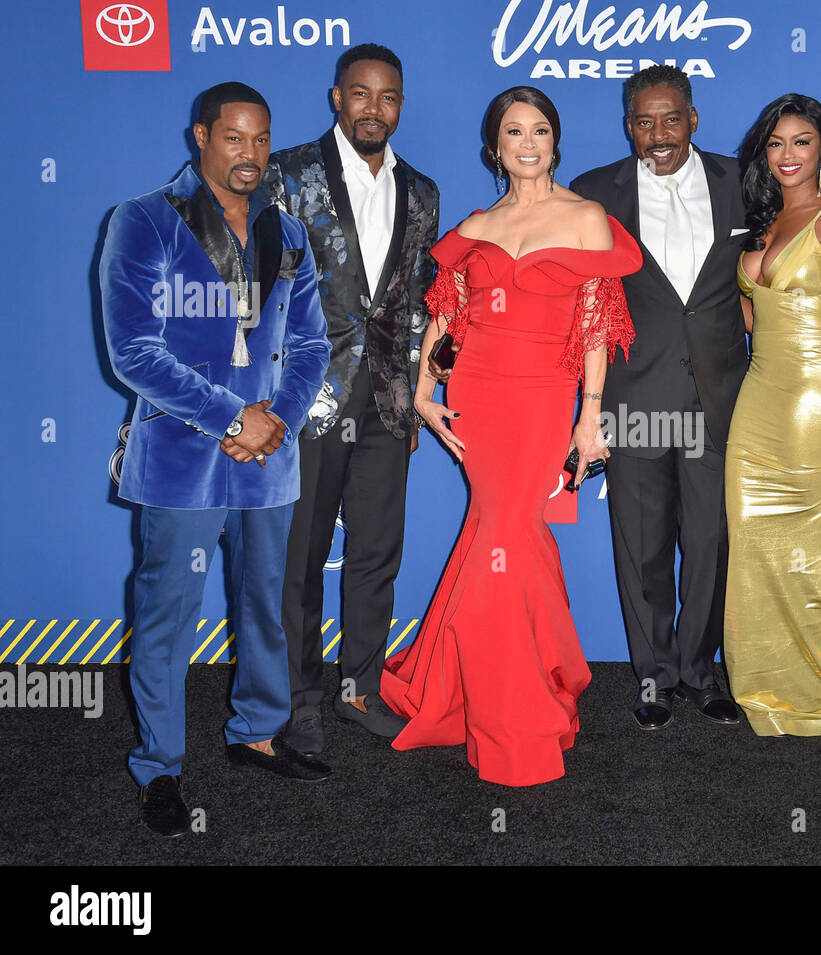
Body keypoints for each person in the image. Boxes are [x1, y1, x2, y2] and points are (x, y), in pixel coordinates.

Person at [379, 87, 641, 787]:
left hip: (543, 403)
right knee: (504, 540)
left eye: (540, 130)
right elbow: (447, 313)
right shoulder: (477, 223)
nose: (528, 142)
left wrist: (590, 414)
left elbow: (595, 321)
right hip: (481, 399)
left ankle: (500, 702)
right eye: (514, 131)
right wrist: (424, 395)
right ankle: (520, 699)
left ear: (556, 141)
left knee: (504, 539)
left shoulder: (586, 218)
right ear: (494, 145)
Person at [101, 82, 332, 837]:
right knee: (166, 617)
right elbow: (134, 350)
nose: (251, 154)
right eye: (234, 138)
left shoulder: (288, 231)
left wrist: (278, 423)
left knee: (266, 604)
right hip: (180, 455)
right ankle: (159, 767)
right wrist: (232, 415)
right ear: (200, 136)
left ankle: (257, 731)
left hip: (269, 459)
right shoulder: (143, 220)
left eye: (261, 139)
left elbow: (311, 346)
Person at [265, 44, 440, 755]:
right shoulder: (289, 172)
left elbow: (419, 302)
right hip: (306, 398)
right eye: (361, 94)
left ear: (401, 104)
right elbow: (264, 289)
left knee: (375, 552)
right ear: (337, 98)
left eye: (389, 97)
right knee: (300, 560)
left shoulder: (421, 191)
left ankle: (358, 687)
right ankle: (298, 699)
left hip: (388, 404)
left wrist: (418, 395)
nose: (375, 108)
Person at [570, 65, 748, 730]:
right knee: (641, 545)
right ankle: (653, 676)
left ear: (694, 119)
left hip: (718, 398)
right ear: (628, 127)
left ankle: (701, 672)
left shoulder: (743, 183)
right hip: (634, 394)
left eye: (670, 117)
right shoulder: (595, 194)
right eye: (643, 121)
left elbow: (814, 227)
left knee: (710, 541)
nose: (658, 133)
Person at [726, 94, 821, 736]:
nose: (788, 155)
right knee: (754, 540)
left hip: (820, 399)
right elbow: (752, 316)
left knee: (816, 548)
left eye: (802, 142)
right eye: (776, 143)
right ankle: (769, 686)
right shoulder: (762, 224)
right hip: (759, 397)